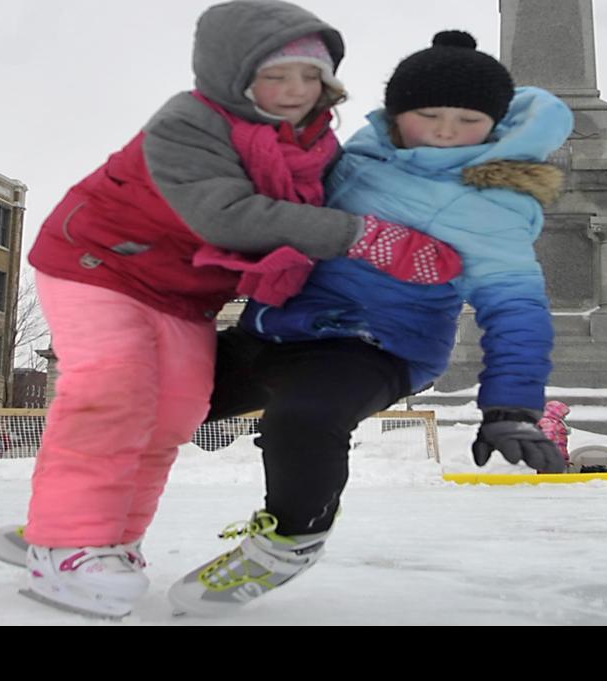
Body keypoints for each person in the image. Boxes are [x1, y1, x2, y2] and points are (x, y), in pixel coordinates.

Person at [0, 0, 459, 620]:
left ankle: (109, 537)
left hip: (184, 292)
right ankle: (65, 540)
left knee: (178, 408)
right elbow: (224, 215)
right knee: (115, 387)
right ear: (233, 74)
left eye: (310, 77)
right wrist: (360, 235)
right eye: (276, 75)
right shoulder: (188, 121)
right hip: (101, 264)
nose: (295, 90)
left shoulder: (313, 142)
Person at [163, 29, 574, 616]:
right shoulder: (357, 154)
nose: (445, 133)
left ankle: (290, 538)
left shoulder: (495, 205)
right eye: (428, 114)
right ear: (397, 113)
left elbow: (514, 309)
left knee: (304, 418)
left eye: (467, 121)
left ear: (496, 125)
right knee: (157, 395)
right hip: (275, 327)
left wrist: (510, 407)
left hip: (375, 347)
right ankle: (94, 524)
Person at [537, 400, 571, 468]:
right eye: (563, 415)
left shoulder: (554, 422)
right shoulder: (549, 423)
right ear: (557, 413)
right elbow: (547, 438)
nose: (564, 417)